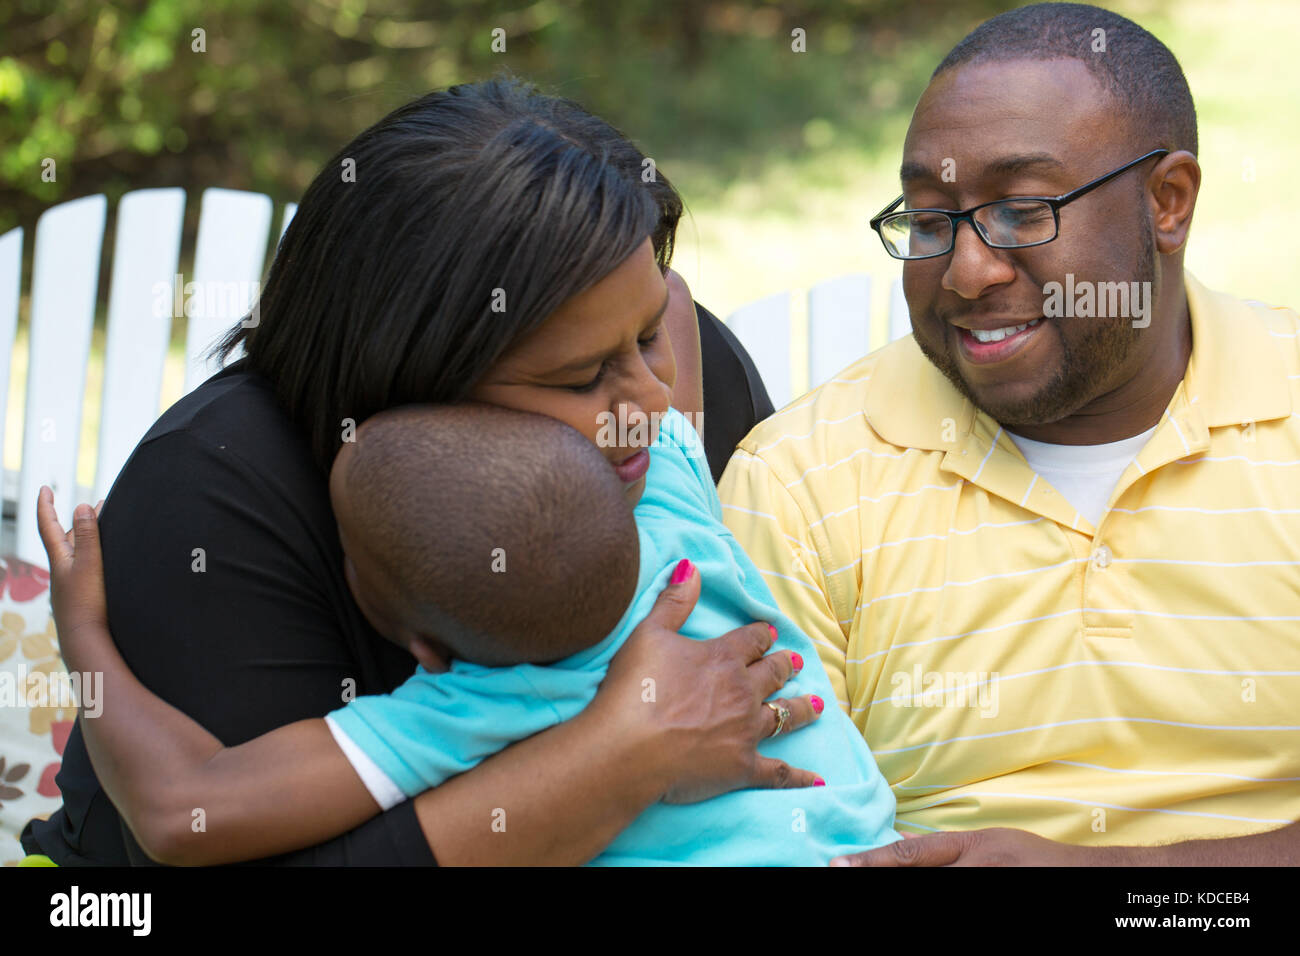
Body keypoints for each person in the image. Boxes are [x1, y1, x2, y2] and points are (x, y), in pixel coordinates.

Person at [20, 76, 806, 867]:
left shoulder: (662, 414)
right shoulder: (214, 492)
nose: (653, 403)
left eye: (643, 336)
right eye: (578, 380)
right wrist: (626, 755)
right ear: (410, 369)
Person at [718, 2, 1300, 865]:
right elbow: (768, 833)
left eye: (1024, 212)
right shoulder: (798, 482)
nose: (967, 271)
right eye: (928, 219)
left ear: (1167, 202)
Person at [37, 398, 901, 866]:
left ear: (425, 654)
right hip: (871, 842)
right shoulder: (675, 498)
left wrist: (84, 634)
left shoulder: (472, 704)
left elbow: (185, 810)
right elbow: (662, 293)